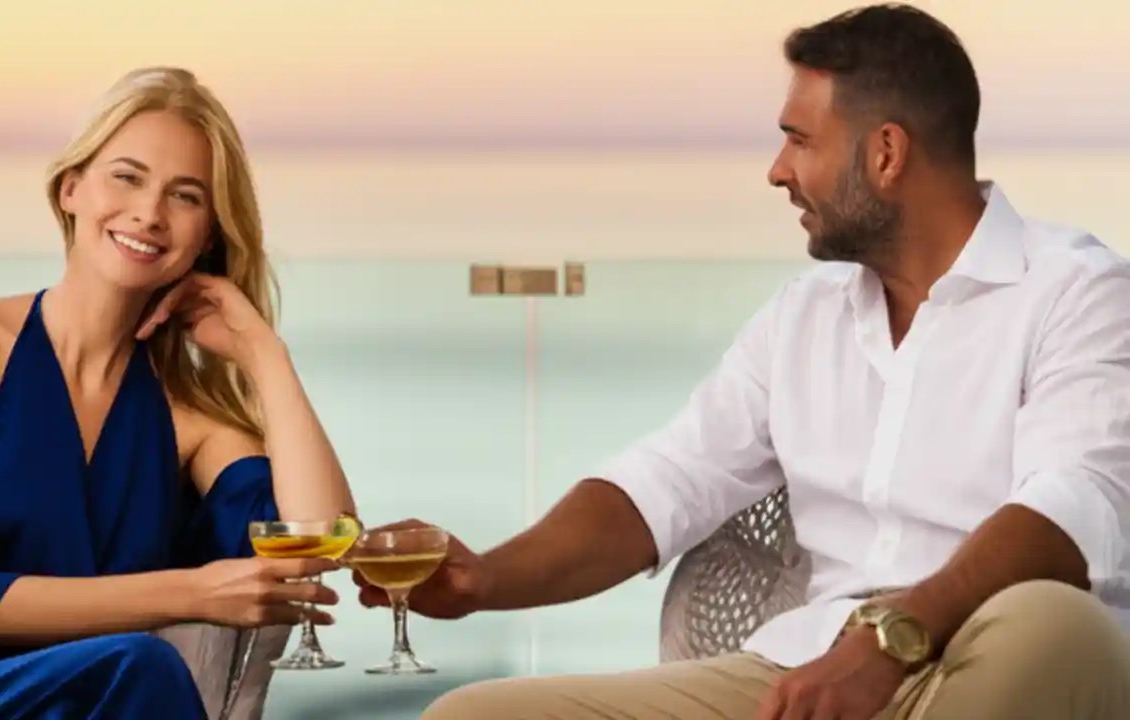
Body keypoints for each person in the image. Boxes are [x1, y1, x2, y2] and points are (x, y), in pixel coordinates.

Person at [357, 5, 1130, 719]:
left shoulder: (1074, 290)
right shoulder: (802, 318)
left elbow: (1075, 506)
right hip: (805, 671)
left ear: (887, 153)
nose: (777, 170)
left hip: (985, 660)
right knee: (473, 716)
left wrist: (891, 638)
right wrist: (487, 578)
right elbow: (664, 484)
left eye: (800, 140)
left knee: (1054, 621)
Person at [0, 67, 355, 718]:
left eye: (186, 195)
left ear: (209, 235)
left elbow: (315, 546)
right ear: (71, 189)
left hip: (87, 704)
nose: (148, 211)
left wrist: (265, 356)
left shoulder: (190, 415)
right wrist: (190, 592)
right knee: (138, 666)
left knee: (131, 673)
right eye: (127, 176)